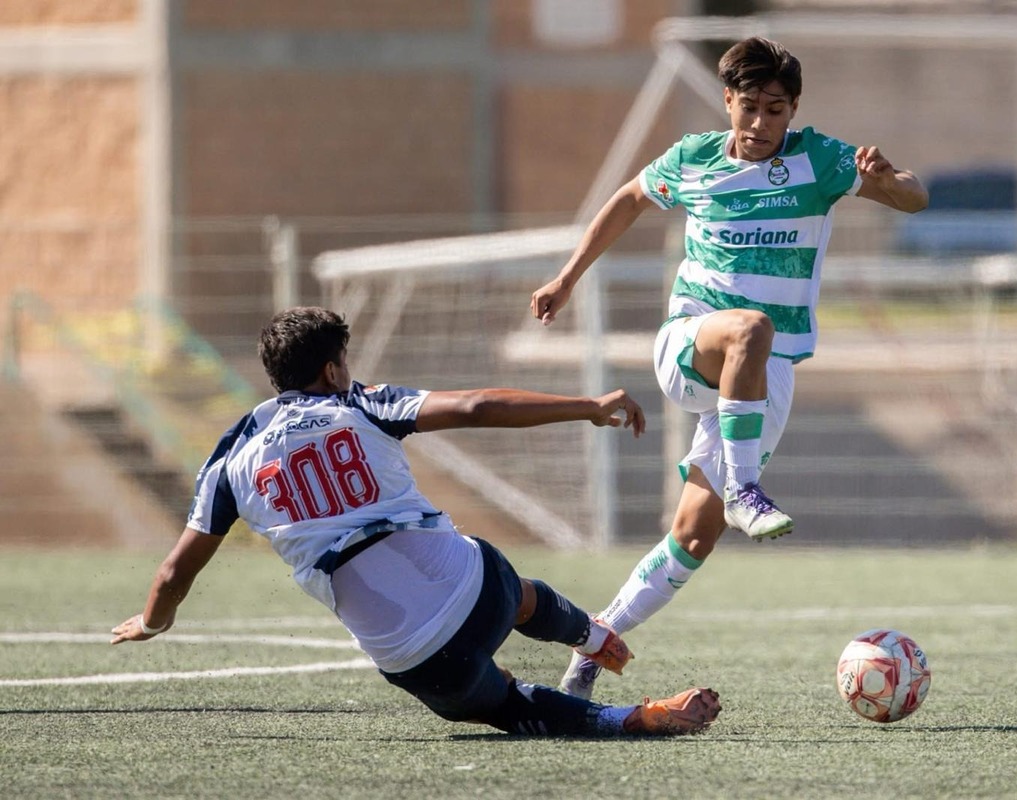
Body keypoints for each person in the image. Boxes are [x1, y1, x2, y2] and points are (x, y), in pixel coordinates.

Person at [530, 36, 929, 699]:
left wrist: (889, 180)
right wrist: (567, 278)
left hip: (767, 373)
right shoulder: (694, 158)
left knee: (692, 537)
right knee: (749, 326)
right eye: (749, 107)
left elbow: (914, 198)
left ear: (793, 109)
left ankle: (592, 649)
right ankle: (746, 490)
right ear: (728, 102)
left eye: (775, 110)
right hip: (692, 345)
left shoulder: (819, 160)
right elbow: (629, 198)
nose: (760, 123)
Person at [111, 306, 721, 737]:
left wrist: (152, 622)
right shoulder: (358, 402)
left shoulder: (232, 457)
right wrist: (586, 406)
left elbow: (172, 574)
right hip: (478, 586)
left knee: (502, 705)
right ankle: (593, 638)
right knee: (519, 595)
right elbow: (477, 406)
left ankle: (631, 718)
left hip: (413, 654)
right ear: (331, 370)